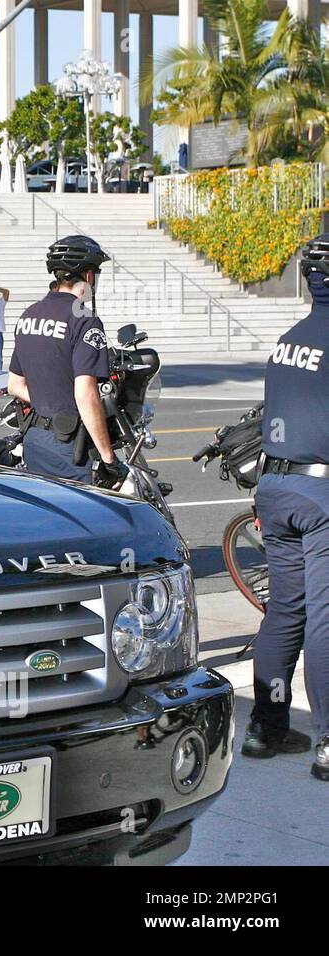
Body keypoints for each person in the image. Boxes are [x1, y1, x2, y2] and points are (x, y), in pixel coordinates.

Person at [242, 232, 329, 779]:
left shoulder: (290, 338)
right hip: (321, 494)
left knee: (285, 611)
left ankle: (266, 727)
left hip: (276, 490)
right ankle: (327, 742)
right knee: (324, 617)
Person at [7, 235, 125, 486]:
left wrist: (49, 399)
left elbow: (15, 385)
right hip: (69, 448)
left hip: (34, 440)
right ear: (88, 275)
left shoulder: (30, 314)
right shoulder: (84, 319)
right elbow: (86, 394)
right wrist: (108, 458)